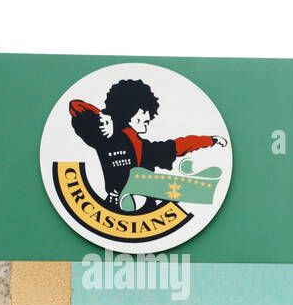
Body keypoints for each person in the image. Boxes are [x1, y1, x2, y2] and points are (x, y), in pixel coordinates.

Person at [69, 78, 227, 210]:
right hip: (116, 205)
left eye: (147, 122)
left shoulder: (144, 148)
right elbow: (76, 107)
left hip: (145, 205)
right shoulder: (104, 135)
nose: (144, 127)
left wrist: (209, 140)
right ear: (125, 112)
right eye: (140, 120)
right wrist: (106, 117)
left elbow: (177, 146)